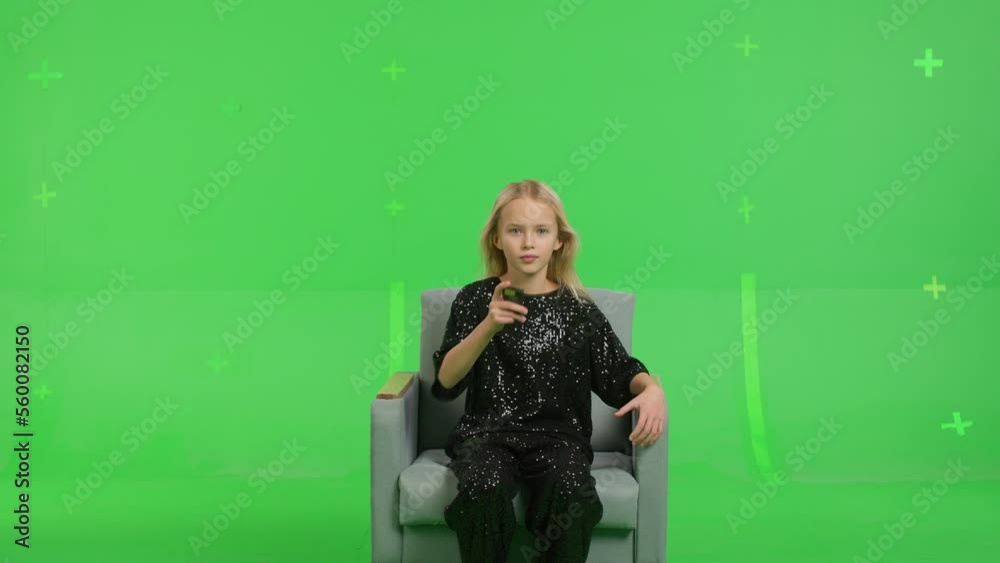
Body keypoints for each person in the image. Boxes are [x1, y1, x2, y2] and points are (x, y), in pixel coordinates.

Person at [431, 179, 665, 563]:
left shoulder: (578, 309)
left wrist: (652, 388)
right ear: (496, 239)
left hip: (559, 440)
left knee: (571, 489)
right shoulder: (475, 299)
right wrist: (489, 324)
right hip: (487, 437)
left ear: (558, 240)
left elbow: (621, 373)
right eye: (515, 231)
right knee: (484, 487)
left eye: (541, 231)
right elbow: (445, 381)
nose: (528, 243)